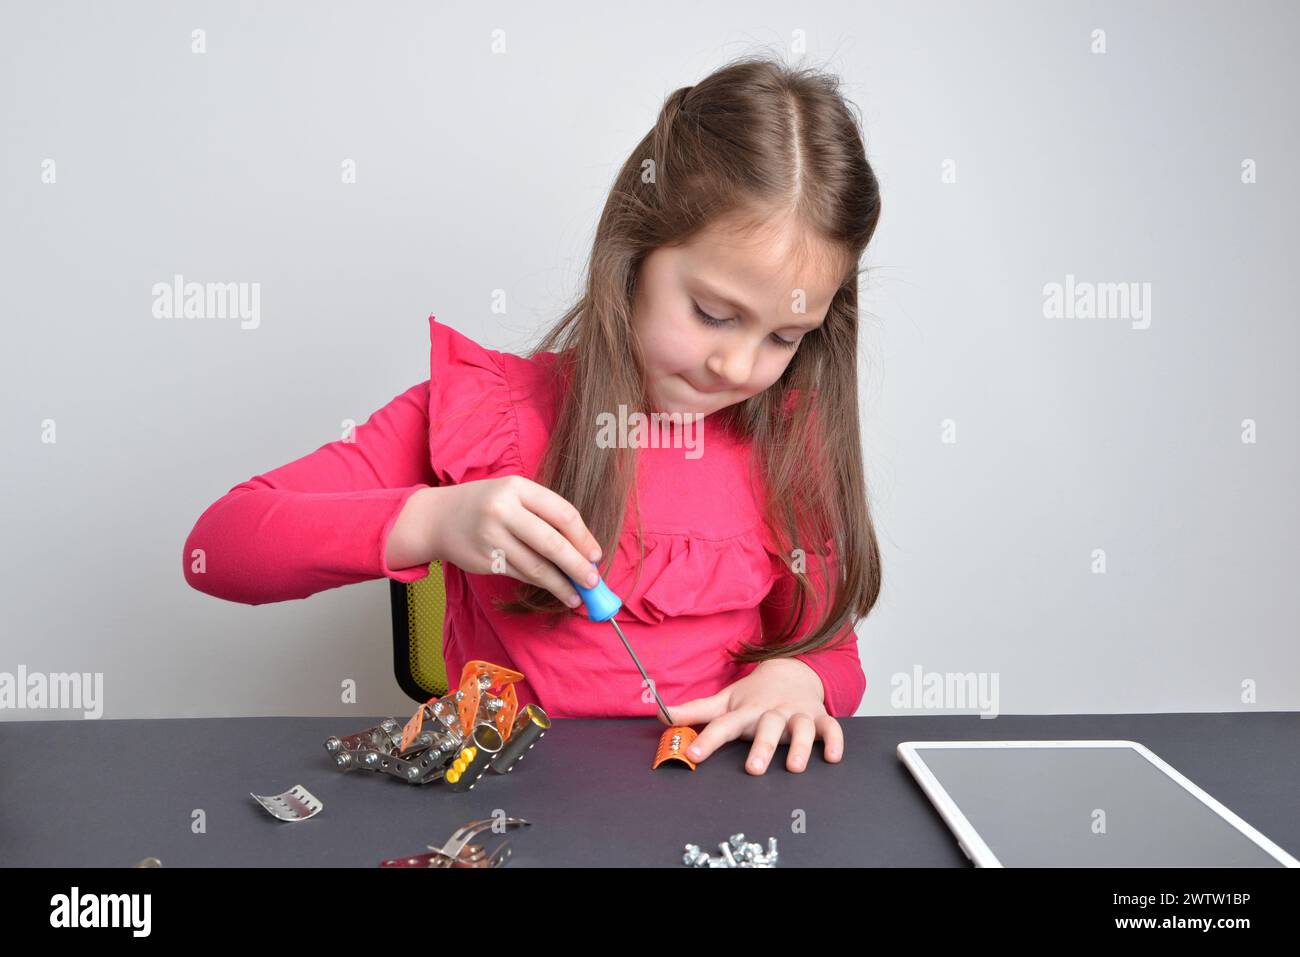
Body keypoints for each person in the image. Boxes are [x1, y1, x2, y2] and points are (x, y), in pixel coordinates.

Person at [183, 54, 883, 775]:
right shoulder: (483, 414)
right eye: (711, 313)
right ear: (633, 252)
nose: (737, 367)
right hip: (510, 809)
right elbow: (219, 547)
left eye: (782, 337)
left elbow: (831, 649)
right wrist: (431, 520)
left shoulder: (788, 444)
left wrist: (805, 678)